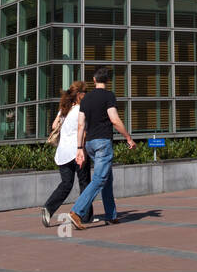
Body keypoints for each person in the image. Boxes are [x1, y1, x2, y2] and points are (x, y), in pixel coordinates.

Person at [68, 67, 135, 230]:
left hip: (90, 143)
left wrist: (79, 147)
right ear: (107, 81)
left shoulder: (86, 98)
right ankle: (77, 211)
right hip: (103, 142)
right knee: (99, 179)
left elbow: (80, 125)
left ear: (94, 80)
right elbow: (114, 119)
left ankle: (111, 215)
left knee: (107, 179)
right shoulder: (109, 96)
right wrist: (128, 137)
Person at [40, 81, 94, 227]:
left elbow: (53, 126)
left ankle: (48, 208)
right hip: (77, 151)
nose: (86, 96)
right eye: (85, 93)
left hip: (63, 152)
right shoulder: (82, 109)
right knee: (85, 183)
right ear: (80, 95)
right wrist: (80, 149)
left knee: (66, 184)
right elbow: (82, 129)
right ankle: (85, 216)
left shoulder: (64, 109)